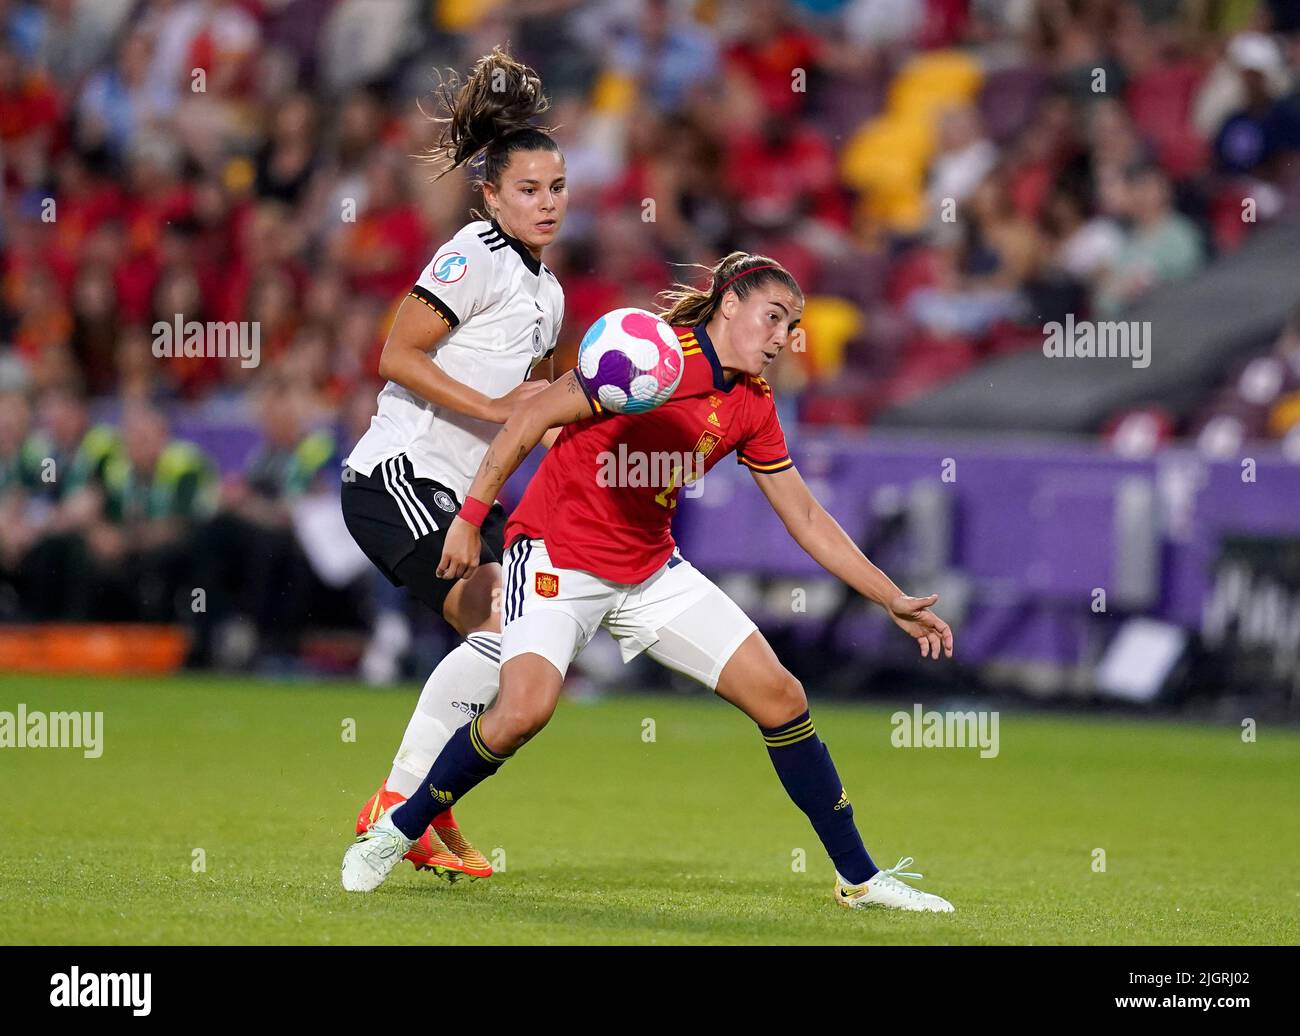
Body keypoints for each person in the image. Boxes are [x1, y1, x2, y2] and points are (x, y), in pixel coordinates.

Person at [343, 254, 957, 912]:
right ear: (729, 306)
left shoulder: (751, 403)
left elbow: (805, 516)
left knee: (781, 696)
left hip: (648, 570)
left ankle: (859, 878)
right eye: (773, 317)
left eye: (792, 324)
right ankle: (395, 830)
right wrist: (468, 522)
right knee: (523, 712)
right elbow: (527, 421)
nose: (783, 337)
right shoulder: (650, 355)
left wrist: (889, 595)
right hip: (556, 556)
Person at [339, 47, 566, 880]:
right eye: (529, 190)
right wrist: (501, 409)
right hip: (397, 476)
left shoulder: (550, 294)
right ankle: (402, 811)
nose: (546, 204)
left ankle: (416, 809)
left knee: (524, 659)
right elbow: (396, 353)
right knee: (508, 634)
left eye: (556, 189)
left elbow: (533, 415)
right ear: (491, 194)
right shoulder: (473, 252)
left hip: (460, 490)